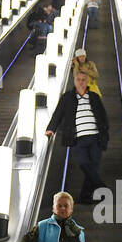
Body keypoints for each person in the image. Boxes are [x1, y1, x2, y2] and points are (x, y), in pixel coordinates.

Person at [46, 70, 109, 204]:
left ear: (87, 82)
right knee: (85, 164)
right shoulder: (67, 97)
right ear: (74, 81)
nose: (81, 82)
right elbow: (58, 113)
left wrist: (105, 131)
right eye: (78, 79)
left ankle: (84, 197)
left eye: (83, 80)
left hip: (96, 138)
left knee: (93, 166)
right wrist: (51, 129)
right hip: (78, 138)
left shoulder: (94, 96)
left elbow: (103, 115)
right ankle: (101, 187)